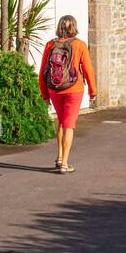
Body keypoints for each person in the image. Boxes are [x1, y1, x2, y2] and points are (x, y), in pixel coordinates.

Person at [37, 15, 97, 173]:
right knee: (69, 124)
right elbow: (88, 70)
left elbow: (43, 71)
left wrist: (44, 94)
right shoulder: (80, 45)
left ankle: (59, 157)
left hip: (55, 89)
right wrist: (93, 91)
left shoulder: (51, 44)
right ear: (74, 27)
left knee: (61, 120)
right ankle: (64, 164)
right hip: (74, 89)